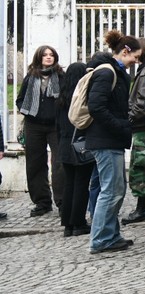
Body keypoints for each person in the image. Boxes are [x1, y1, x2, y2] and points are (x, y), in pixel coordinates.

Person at [86, 30, 143, 254]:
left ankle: (110, 235)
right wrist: (121, 125)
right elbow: (96, 107)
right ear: (125, 51)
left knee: (116, 188)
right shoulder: (107, 73)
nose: (135, 63)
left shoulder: (117, 73)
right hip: (105, 139)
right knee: (111, 190)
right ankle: (101, 239)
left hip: (110, 139)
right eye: (135, 57)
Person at [16, 45, 66, 218]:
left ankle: (62, 202)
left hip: (55, 125)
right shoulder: (31, 76)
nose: (48, 58)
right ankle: (42, 202)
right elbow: (20, 99)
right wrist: (25, 110)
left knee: (59, 163)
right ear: (39, 57)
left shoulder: (60, 76)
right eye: (45, 55)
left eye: (51, 55)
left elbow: (66, 98)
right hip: (34, 125)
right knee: (35, 163)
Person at [123, 40, 145, 225]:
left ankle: (144, 207)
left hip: (144, 127)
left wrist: (129, 118)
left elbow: (143, 101)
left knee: (141, 168)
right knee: (144, 167)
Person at [57, 63, 91, 236]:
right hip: (79, 144)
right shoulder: (81, 97)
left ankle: (67, 224)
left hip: (64, 144)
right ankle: (78, 222)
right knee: (81, 184)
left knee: (69, 184)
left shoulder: (62, 97)